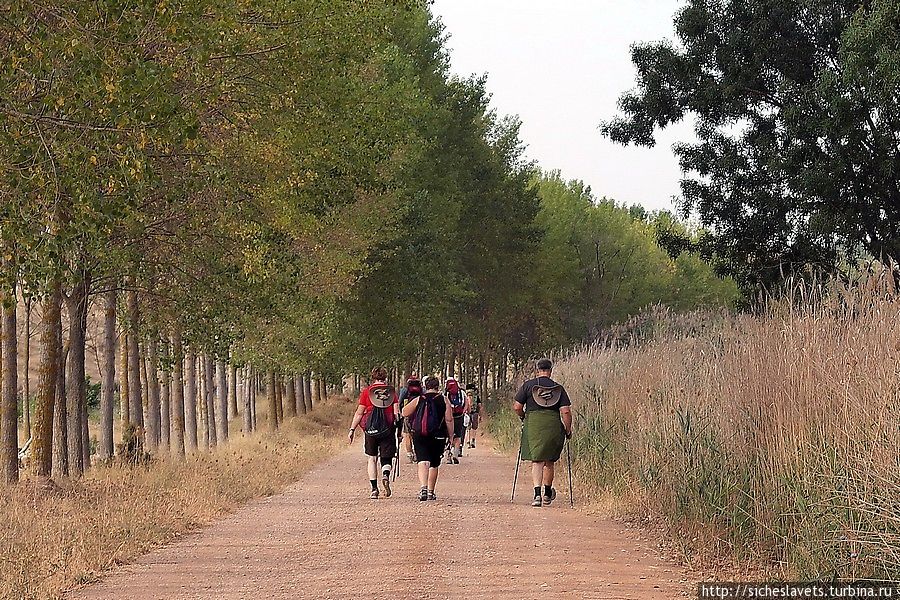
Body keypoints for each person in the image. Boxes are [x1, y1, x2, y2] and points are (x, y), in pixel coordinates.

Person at [512, 358, 573, 507]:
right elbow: (565, 411)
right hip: (553, 426)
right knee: (549, 461)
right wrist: (568, 429)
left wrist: (523, 417)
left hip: (533, 425)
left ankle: (537, 495)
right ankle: (547, 494)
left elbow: (517, 407)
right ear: (550, 371)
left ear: (537, 370)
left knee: (537, 461)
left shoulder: (528, 386)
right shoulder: (558, 388)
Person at [348, 367, 400, 499]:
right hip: (387, 428)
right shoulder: (391, 392)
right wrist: (400, 430)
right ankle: (386, 474)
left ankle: (374, 489)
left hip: (371, 429)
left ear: (373, 377)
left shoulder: (367, 392)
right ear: (385, 377)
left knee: (372, 458)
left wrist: (352, 429)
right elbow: (397, 413)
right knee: (386, 457)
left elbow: (359, 413)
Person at [402, 376, 454, 501]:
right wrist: (451, 436)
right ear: (438, 386)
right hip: (438, 435)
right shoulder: (444, 400)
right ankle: (431, 491)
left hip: (420, 434)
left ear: (425, 386)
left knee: (422, 461)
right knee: (434, 463)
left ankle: (423, 488)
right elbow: (449, 419)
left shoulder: (420, 398)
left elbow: (404, 412)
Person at [398, 375, 423, 463]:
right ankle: (417, 453)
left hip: (408, 414)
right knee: (417, 435)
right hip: (419, 415)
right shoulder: (422, 390)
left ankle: (410, 454)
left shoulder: (405, 390)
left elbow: (400, 402)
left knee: (407, 434)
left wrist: (401, 413)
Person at [445, 377, 469, 463]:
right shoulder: (462, 393)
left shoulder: (446, 394)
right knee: (458, 436)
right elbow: (466, 403)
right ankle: (455, 454)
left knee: (448, 435)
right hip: (459, 416)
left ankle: (448, 456)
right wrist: (463, 412)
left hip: (449, 417)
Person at [465, 383, 482, 449]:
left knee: (468, 428)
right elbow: (479, 405)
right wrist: (480, 415)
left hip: (467, 413)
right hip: (475, 413)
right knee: (474, 427)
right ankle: (473, 440)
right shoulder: (476, 396)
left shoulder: (465, 395)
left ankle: (468, 441)